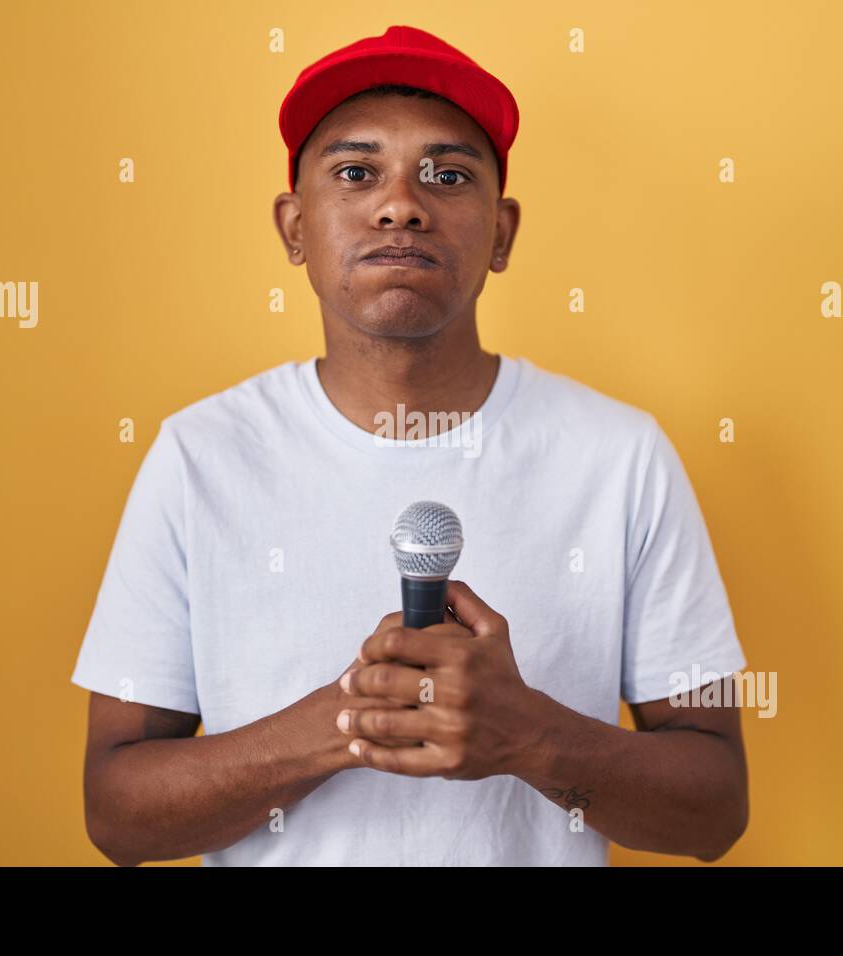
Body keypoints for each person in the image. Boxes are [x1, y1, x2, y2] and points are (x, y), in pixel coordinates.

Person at [70, 24, 749, 866]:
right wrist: (344, 722)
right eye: (356, 172)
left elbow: (716, 807)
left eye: (448, 175)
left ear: (501, 234)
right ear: (293, 228)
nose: (402, 204)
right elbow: (118, 815)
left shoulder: (621, 457)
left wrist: (529, 736)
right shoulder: (198, 458)